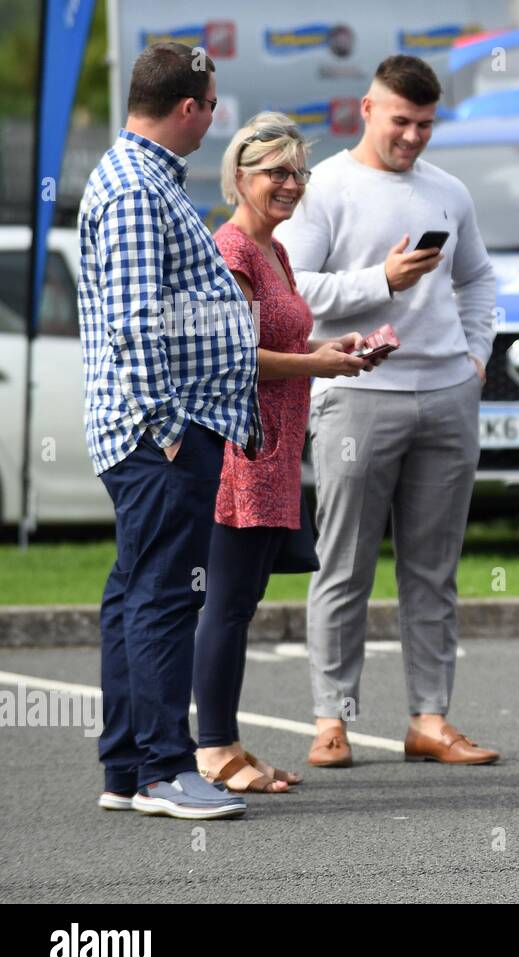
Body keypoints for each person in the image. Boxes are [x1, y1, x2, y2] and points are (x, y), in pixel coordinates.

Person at [277, 55, 499, 768]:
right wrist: (380, 280)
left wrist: (475, 357)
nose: (412, 136)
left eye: (426, 124)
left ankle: (429, 718)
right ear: (365, 108)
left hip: (446, 396)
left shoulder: (449, 191)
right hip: (355, 393)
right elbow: (290, 292)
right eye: (401, 120)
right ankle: (330, 719)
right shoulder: (323, 190)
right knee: (344, 566)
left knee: (433, 570)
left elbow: (478, 278)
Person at [79, 43, 260, 819]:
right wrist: (168, 427)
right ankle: (163, 769)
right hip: (161, 436)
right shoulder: (132, 189)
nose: (214, 118)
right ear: (189, 107)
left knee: (134, 594)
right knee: (162, 598)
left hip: (163, 431)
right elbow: (132, 322)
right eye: (212, 105)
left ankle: (128, 767)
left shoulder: (144, 181)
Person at [192, 113, 383, 793]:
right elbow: (237, 359)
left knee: (240, 602)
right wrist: (321, 367)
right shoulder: (232, 248)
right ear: (239, 176)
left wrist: (337, 351)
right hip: (242, 451)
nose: (291, 184)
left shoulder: (273, 251)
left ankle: (227, 743)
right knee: (225, 602)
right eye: (275, 171)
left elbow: (284, 345)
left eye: (298, 171)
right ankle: (213, 748)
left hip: (275, 452)